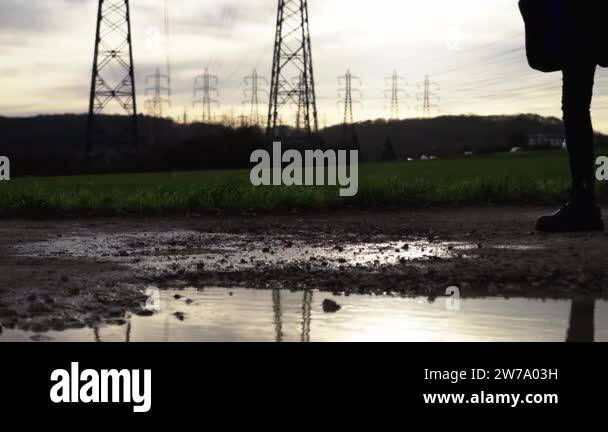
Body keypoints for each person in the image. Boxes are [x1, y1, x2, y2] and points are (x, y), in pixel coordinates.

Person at [535, 3, 605, 232]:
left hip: (580, 19)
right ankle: (583, 202)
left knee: (575, 107)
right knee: (575, 106)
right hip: (583, 20)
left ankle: (583, 203)